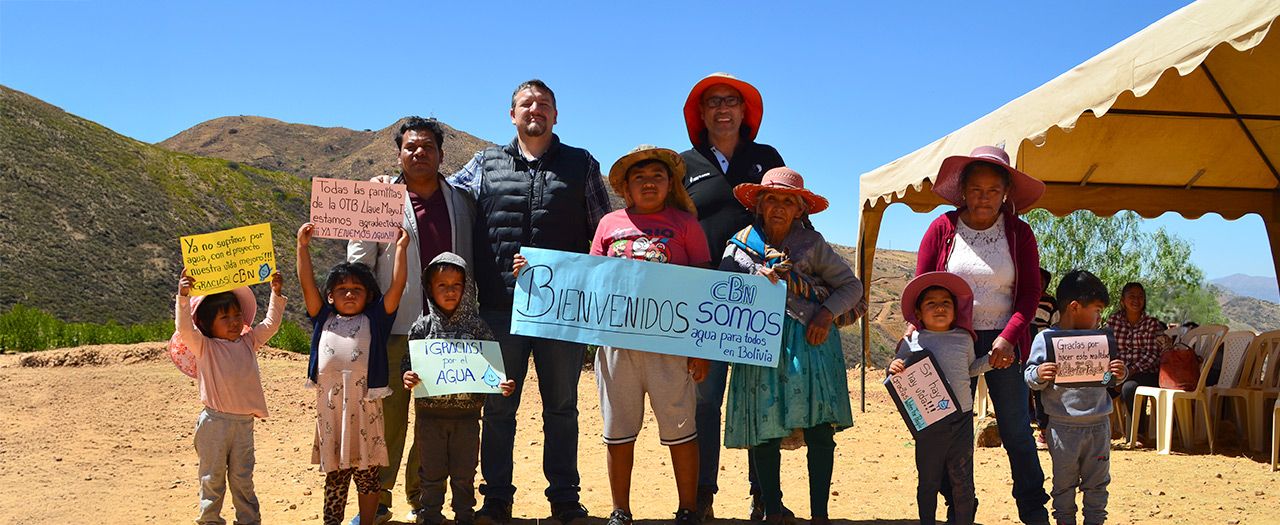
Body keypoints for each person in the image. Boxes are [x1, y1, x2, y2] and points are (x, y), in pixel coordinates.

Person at [448, 79, 610, 524]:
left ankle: (564, 499)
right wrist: (395, 183)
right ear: (512, 114)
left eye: (543, 104)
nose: (534, 109)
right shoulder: (484, 163)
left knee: (562, 408)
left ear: (556, 115)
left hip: (563, 312)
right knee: (499, 408)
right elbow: (442, 193)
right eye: (525, 103)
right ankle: (497, 498)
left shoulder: (583, 165)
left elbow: (604, 235)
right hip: (500, 307)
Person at [348, 116, 476, 524]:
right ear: (399, 153)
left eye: (428, 147)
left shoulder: (460, 199)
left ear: (440, 154)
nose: (419, 153)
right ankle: (379, 498)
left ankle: (423, 496)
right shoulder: (381, 196)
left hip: (446, 331)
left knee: (433, 418)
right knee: (388, 419)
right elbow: (359, 261)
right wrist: (364, 319)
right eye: (411, 147)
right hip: (396, 327)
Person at [915, 145, 1051, 525]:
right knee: (946, 429)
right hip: (950, 342)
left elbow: (1029, 295)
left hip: (1005, 343)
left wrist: (1008, 338)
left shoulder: (1019, 234)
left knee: (1016, 430)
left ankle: (1033, 509)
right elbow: (921, 285)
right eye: (976, 188)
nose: (984, 197)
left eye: (993, 189)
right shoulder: (942, 228)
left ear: (1006, 193)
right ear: (963, 190)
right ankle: (959, 505)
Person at [720, 167, 862, 525]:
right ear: (760, 204)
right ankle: (772, 509)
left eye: (788, 201)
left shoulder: (812, 246)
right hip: (758, 343)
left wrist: (826, 314)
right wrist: (755, 278)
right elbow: (721, 287)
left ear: (800, 210)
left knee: (818, 426)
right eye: (772, 200)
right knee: (764, 427)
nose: (779, 207)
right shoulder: (740, 244)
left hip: (810, 343)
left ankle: (820, 514)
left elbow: (851, 287)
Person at [581, 145, 711, 525]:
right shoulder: (608, 224)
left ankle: (688, 509)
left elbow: (702, 289)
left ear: (670, 183)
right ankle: (620, 510)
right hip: (617, 344)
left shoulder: (687, 225)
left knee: (681, 427)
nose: (649, 182)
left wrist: (699, 350)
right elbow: (591, 278)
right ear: (626, 186)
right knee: (618, 429)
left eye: (657, 176)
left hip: (671, 347)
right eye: (640, 177)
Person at [677, 72, 785, 520]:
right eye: (713, 102)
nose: (723, 109)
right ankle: (702, 495)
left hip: (759, 298)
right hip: (703, 298)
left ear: (745, 112)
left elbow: (789, 209)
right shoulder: (683, 163)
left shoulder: (767, 157)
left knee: (760, 394)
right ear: (701, 114)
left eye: (731, 102)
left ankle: (764, 496)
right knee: (705, 400)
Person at [297, 223, 409, 525]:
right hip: (331, 413)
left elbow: (397, 287)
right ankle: (331, 521)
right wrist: (302, 248)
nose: (349, 293)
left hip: (366, 411)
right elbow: (307, 285)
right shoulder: (323, 318)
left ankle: (368, 521)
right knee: (334, 475)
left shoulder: (376, 318)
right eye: (342, 289)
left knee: (368, 474)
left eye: (357, 289)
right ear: (330, 296)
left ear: (369, 295)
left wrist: (401, 249)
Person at [403, 252, 516, 525]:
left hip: (467, 419)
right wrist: (407, 376)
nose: (450, 291)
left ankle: (464, 516)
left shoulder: (478, 328)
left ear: (467, 289)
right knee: (430, 474)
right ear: (429, 288)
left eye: (456, 285)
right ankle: (430, 516)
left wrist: (502, 385)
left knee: (465, 473)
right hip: (429, 418)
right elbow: (407, 365)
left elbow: (491, 370)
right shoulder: (422, 328)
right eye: (442, 285)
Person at [175, 269, 285, 525]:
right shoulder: (204, 346)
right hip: (214, 423)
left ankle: (248, 520)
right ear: (205, 324)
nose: (235, 322)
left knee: (242, 477)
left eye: (237, 315)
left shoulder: (248, 341)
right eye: (225, 317)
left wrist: (276, 294)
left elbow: (270, 325)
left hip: (244, 424)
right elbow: (184, 328)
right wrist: (183, 297)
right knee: (211, 477)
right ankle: (209, 520)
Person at [1025, 270, 1128, 525]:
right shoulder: (1046, 339)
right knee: (1063, 487)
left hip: (1099, 427)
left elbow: (1109, 379)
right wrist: (1039, 373)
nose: (1099, 317)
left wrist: (1120, 373)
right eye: (1096, 309)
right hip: (1062, 429)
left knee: (1097, 486)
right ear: (1074, 307)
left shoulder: (1101, 340)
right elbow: (1029, 377)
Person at [890, 271, 989, 525]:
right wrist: (894, 368)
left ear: (955, 311)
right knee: (928, 480)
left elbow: (971, 369)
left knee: (963, 480)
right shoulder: (911, 341)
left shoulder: (964, 338)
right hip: (929, 425)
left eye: (946, 303)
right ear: (919, 314)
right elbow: (895, 373)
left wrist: (990, 361)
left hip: (961, 420)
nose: (939, 308)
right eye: (931, 303)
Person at [1105, 282, 1171, 430]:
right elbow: (1108, 350)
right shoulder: (1113, 321)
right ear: (1123, 300)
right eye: (1132, 296)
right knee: (1100, 385)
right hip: (1119, 372)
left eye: (1140, 296)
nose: (1136, 300)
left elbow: (1152, 355)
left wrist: (1127, 374)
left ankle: (1138, 432)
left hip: (1145, 373)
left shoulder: (1151, 324)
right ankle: (1104, 429)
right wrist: (1117, 374)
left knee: (1129, 388)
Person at [1032, 267, 1057, 449]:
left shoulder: (1050, 303)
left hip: (1042, 353)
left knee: (1041, 389)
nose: (1038, 284)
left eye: (1042, 281)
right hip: (1019, 351)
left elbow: (1055, 328)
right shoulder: (1017, 299)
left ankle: (1044, 431)